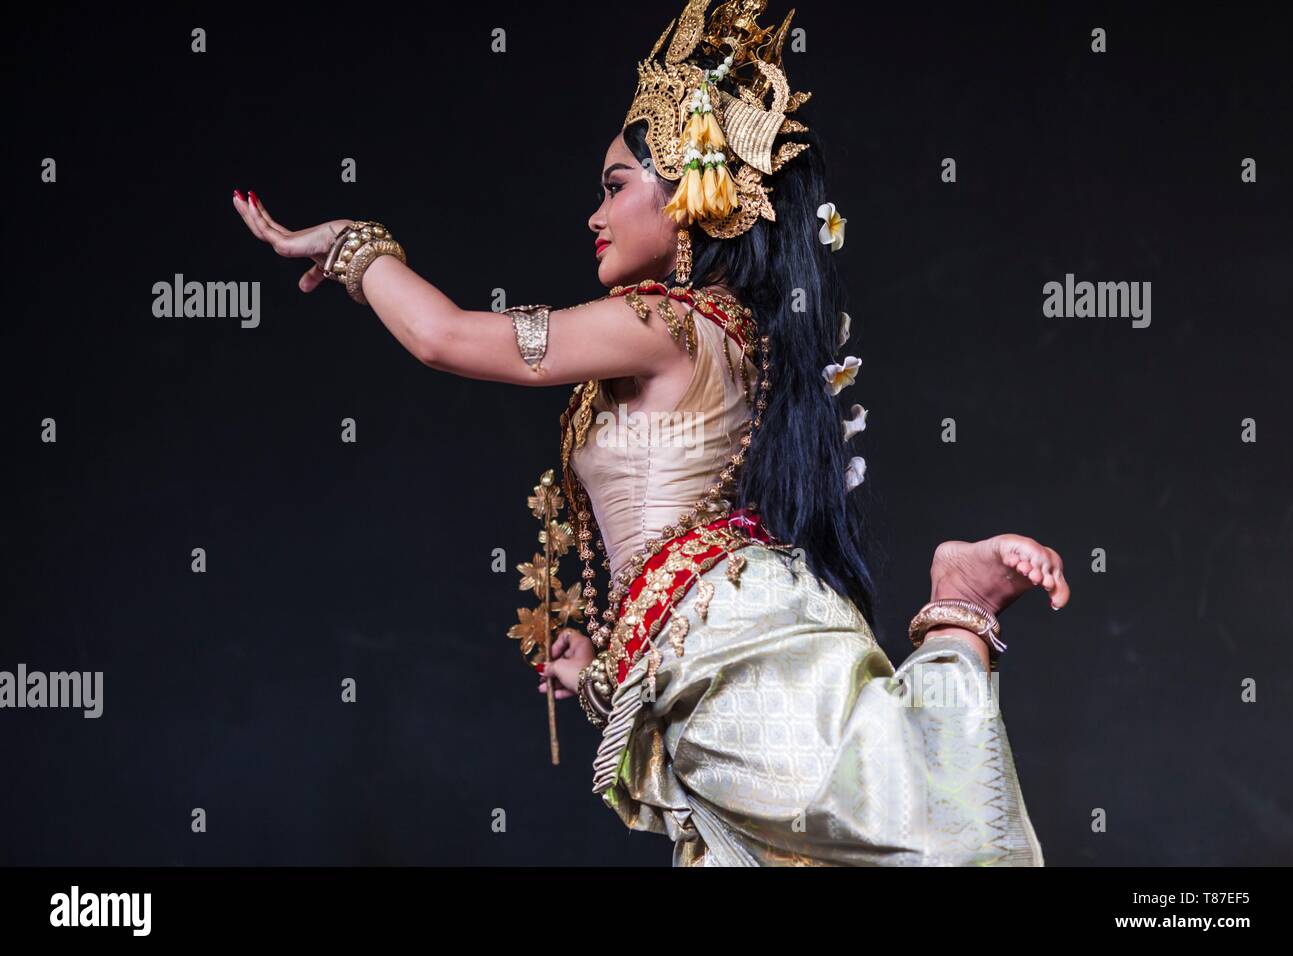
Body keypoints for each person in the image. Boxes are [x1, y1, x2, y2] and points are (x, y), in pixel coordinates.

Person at [232, 0, 1069, 866]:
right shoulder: (697, 335)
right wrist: (605, 666)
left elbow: (445, 337)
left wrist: (354, 244)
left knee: (880, 817)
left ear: (687, 193)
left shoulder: (668, 324)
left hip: (728, 631)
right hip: (696, 636)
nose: (594, 214)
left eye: (614, 186)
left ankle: (958, 610)